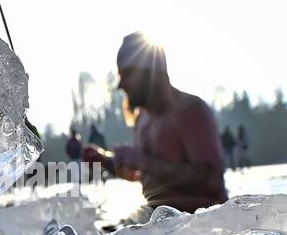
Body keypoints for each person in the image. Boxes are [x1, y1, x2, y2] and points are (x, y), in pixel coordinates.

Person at [81, 32, 227, 213]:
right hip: (157, 221)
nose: (121, 85)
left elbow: (211, 181)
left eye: (126, 74)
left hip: (202, 226)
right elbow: (146, 176)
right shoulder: (142, 119)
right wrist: (104, 160)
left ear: (148, 74)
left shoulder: (191, 110)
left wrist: (143, 161)